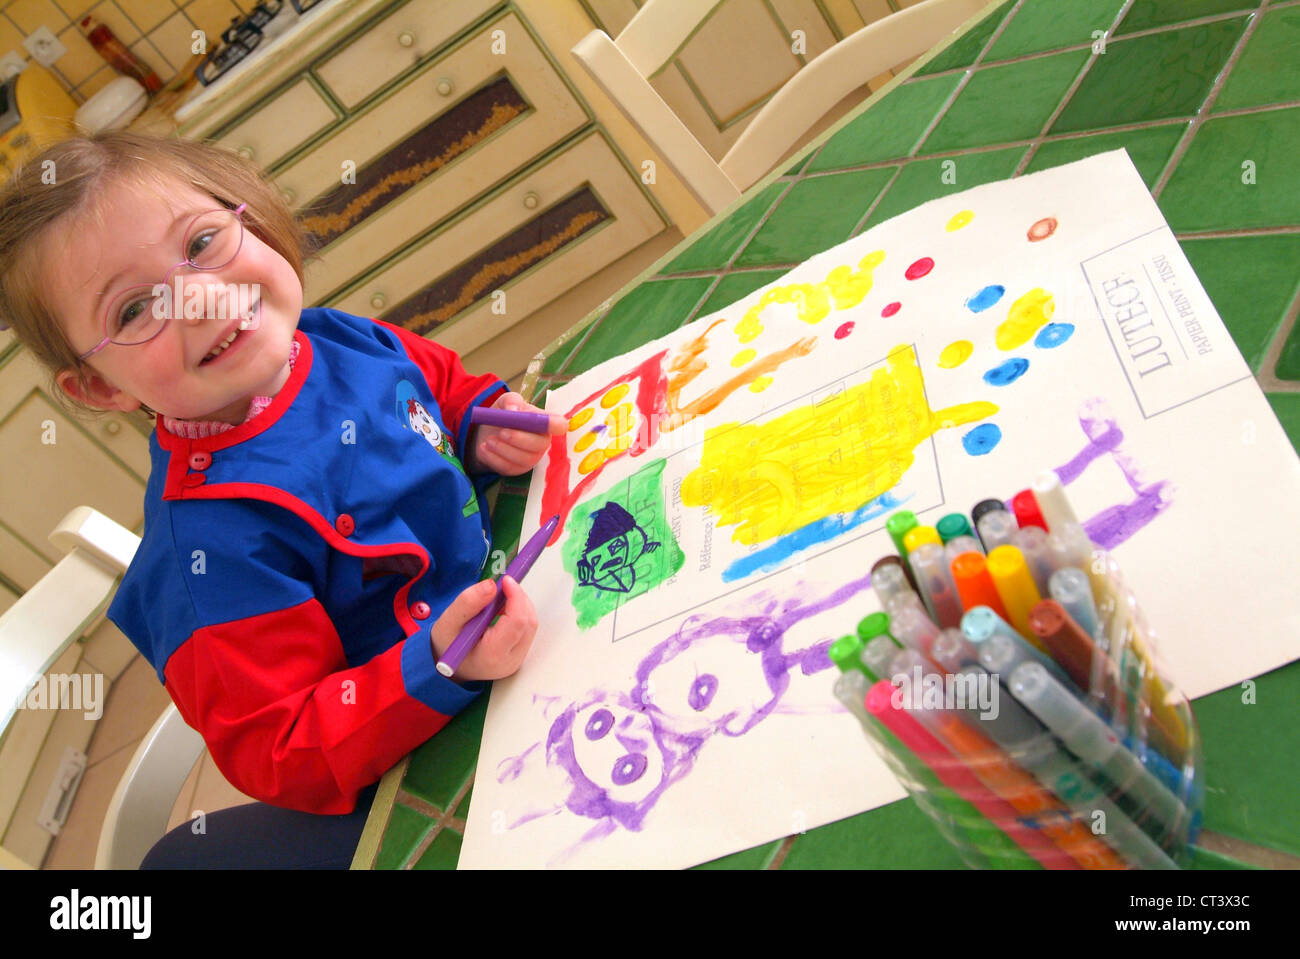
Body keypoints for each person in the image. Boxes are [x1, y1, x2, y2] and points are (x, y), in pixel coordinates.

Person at [0, 132, 565, 867]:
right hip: (419, 749)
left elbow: (431, 384)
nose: (200, 297)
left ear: (253, 218)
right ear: (102, 388)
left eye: (201, 241)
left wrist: (479, 418)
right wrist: (436, 663)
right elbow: (284, 748)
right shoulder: (207, 553)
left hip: (526, 598)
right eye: (135, 309)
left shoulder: (331, 338)